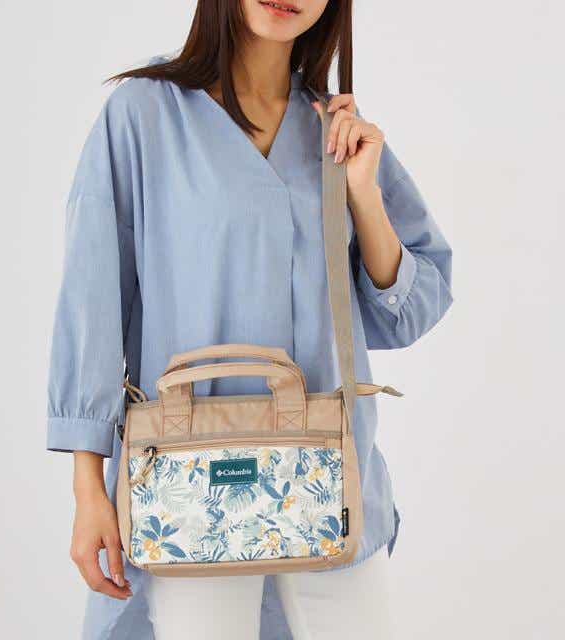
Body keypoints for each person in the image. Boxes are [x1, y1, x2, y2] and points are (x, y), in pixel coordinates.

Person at [46, 1, 453, 638]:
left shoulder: (333, 130)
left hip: (327, 476)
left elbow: (410, 309)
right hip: (186, 480)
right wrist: (87, 487)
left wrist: (363, 194)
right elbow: (91, 301)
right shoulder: (144, 115)